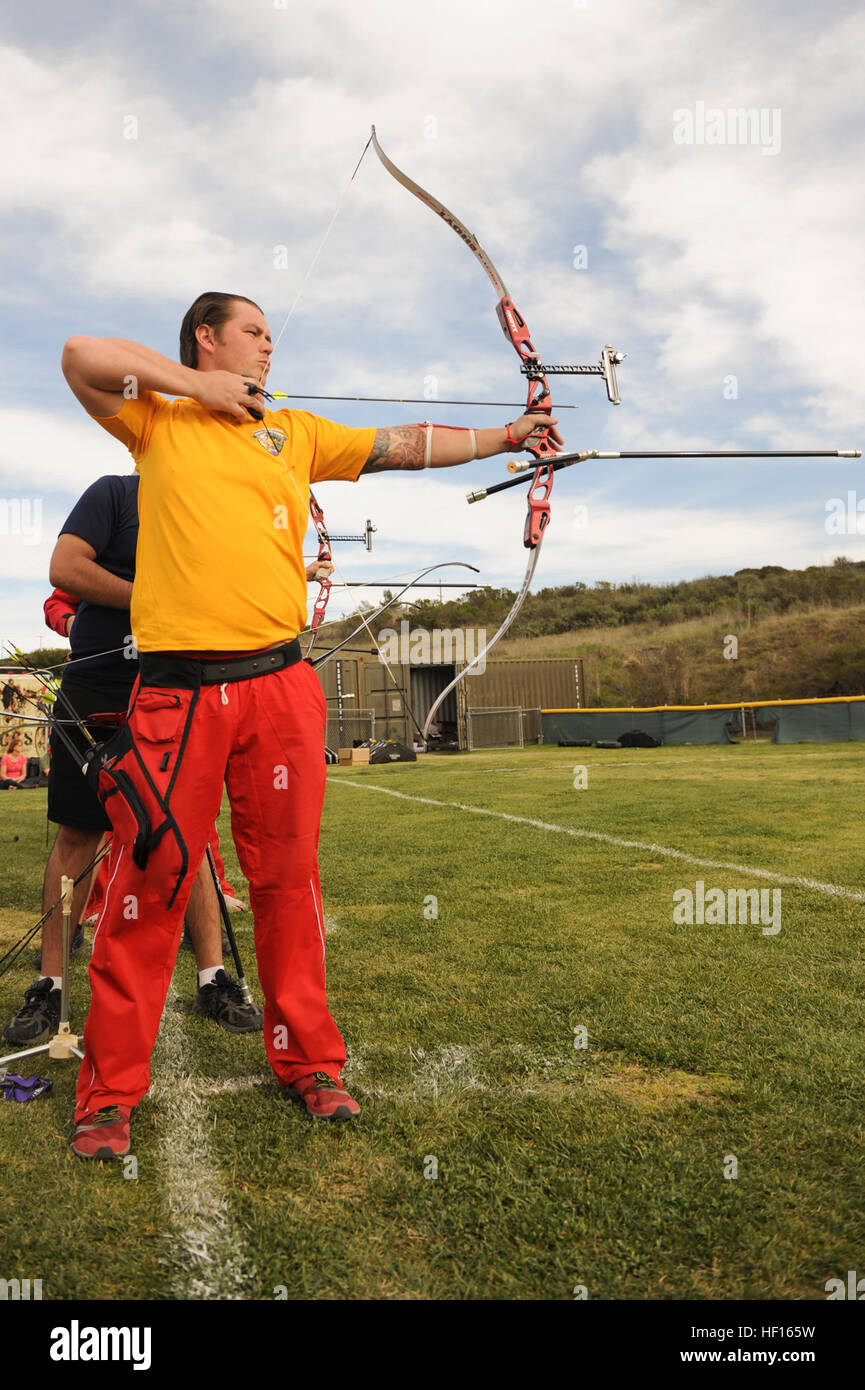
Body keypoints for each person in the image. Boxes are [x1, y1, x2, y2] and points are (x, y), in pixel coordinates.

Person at [61, 290, 561, 1159]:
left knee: (288, 881)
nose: (267, 347)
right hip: (178, 692)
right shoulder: (160, 419)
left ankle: (309, 1063)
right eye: (253, 332)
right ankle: (108, 1095)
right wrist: (192, 386)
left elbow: (403, 445)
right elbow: (79, 354)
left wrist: (508, 437)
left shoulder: (292, 431)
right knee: (151, 879)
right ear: (207, 338)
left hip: (279, 684)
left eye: (269, 335)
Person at [1, 480, 263, 1051]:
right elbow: (66, 568)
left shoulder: (214, 501)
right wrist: (154, 595)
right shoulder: (116, 495)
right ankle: (50, 984)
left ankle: (212, 978)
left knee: (187, 835)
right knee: (77, 833)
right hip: (98, 680)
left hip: (181, 683)